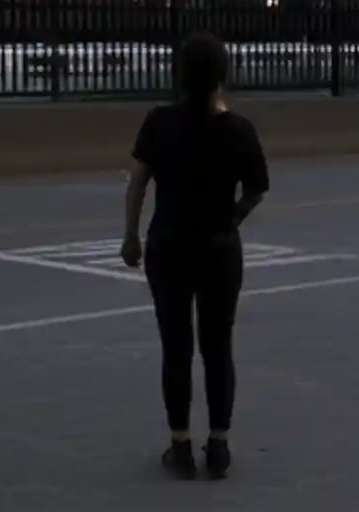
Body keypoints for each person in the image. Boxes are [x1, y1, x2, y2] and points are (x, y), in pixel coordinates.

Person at [120, 32, 270, 480]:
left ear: (180, 76)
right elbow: (258, 188)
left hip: (168, 246)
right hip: (219, 250)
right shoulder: (240, 130)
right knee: (218, 346)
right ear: (222, 76)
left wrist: (131, 236)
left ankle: (181, 443)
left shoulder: (159, 122)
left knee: (177, 346)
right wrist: (231, 220)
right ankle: (219, 444)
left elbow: (138, 181)